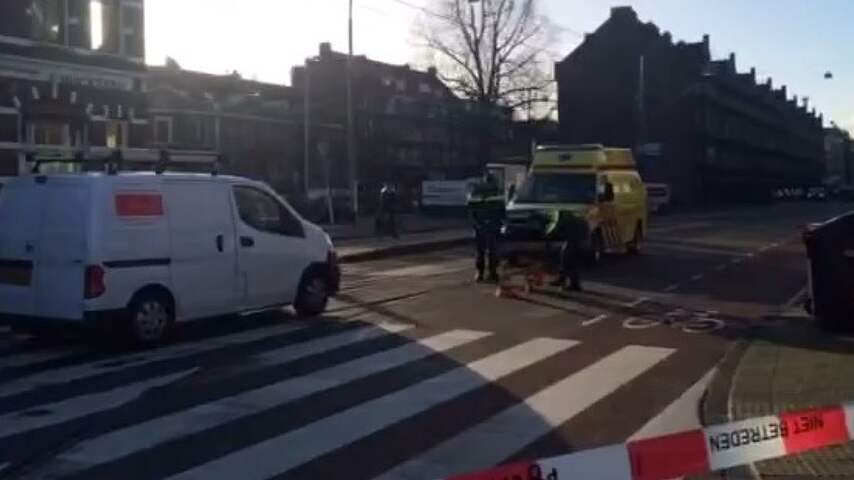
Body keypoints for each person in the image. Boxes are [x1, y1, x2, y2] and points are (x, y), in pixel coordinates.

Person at [467, 173, 505, 283]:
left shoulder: (476, 191)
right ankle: (492, 273)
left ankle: (480, 274)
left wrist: (475, 223)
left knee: (481, 251)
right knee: (492, 251)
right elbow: (502, 211)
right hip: (493, 226)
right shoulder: (497, 191)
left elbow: (471, 210)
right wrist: (501, 223)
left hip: (481, 226)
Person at [547, 211, 589, 291]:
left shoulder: (564, 219)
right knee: (571, 263)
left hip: (573, 243)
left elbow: (555, 230)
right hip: (584, 243)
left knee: (567, 262)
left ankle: (574, 284)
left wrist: (547, 235)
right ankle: (563, 280)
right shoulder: (579, 219)